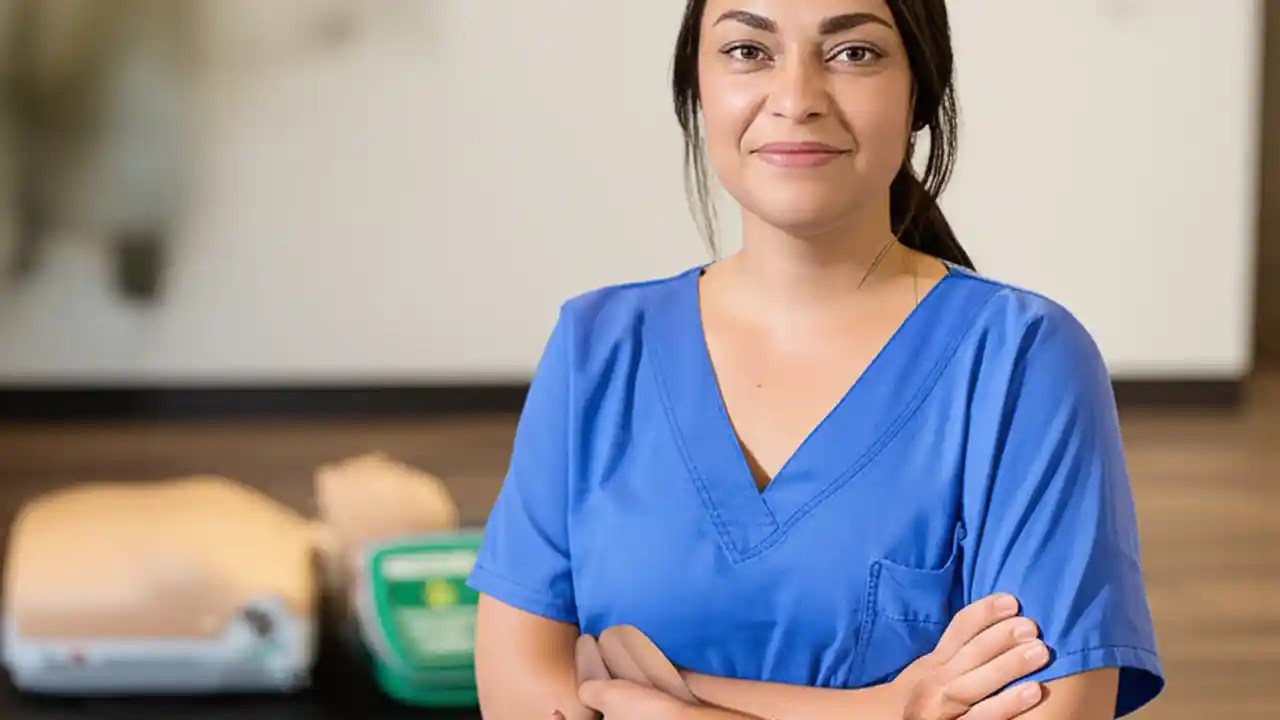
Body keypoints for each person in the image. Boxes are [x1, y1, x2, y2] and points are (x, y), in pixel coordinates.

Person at [467, 1, 1165, 718]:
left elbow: (1051, 708)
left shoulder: (1023, 359)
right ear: (696, 88)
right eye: (748, 51)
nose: (797, 100)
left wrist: (680, 705)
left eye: (854, 53)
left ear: (919, 92)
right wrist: (888, 709)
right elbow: (522, 698)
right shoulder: (596, 348)